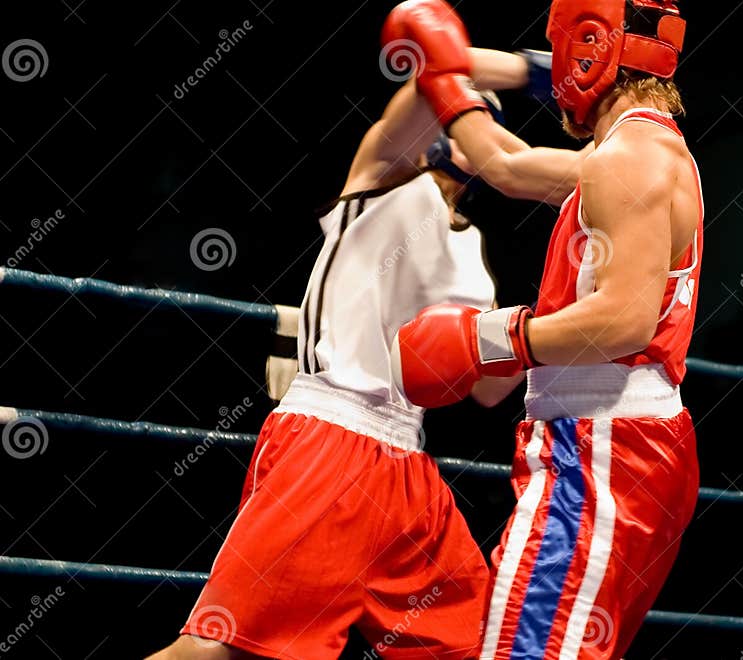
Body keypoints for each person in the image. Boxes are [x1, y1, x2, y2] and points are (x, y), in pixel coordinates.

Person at [147, 37, 589, 660]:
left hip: (409, 467)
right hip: (332, 435)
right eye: (459, 109)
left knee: (472, 650)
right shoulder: (380, 181)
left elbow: (488, 391)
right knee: (228, 652)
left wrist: (539, 324)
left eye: (478, 114)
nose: (464, 118)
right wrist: (531, 71)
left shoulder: (473, 256)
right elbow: (424, 80)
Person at [387, 0, 702, 657]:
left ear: (591, 51)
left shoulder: (631, 160)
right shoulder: (633, 150)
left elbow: (625, 318)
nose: (554, 71)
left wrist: (487, 337)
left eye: (564, 53)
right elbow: (503, 164)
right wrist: (442, 74)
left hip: (604, 453)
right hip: (607, 447)